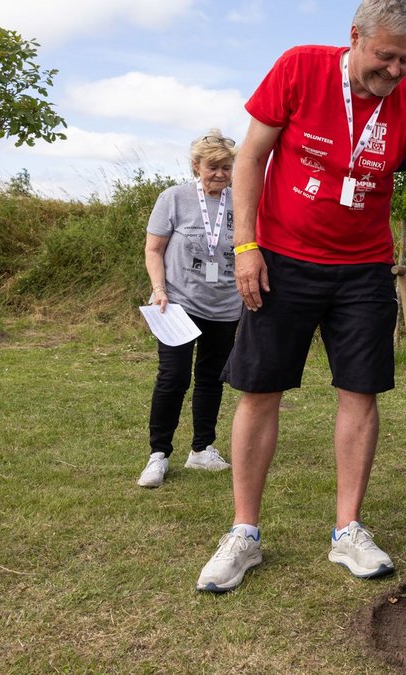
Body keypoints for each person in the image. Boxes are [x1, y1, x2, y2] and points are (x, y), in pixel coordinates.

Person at [194, 0, 406, 593]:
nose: (395, 71)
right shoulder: (298, 68)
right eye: (386, 56)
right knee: (260, 390)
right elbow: (251, 158)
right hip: (282, 261)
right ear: (355, 38)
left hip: (365, 270)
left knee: (360, 392)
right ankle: (244, 532)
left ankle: (348, 530)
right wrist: (246, 247)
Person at [138, 129, 240, 488]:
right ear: (196, 165)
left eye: (227, 167)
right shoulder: (174, 198)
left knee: (212, 379)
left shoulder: (240, 200)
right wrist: (158, 289)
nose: (220, 174)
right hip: (178, 304)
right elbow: (154, 249)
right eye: (213, 167)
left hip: (226, 305)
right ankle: (158, 455)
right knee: (174, 378)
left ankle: (202, 449)